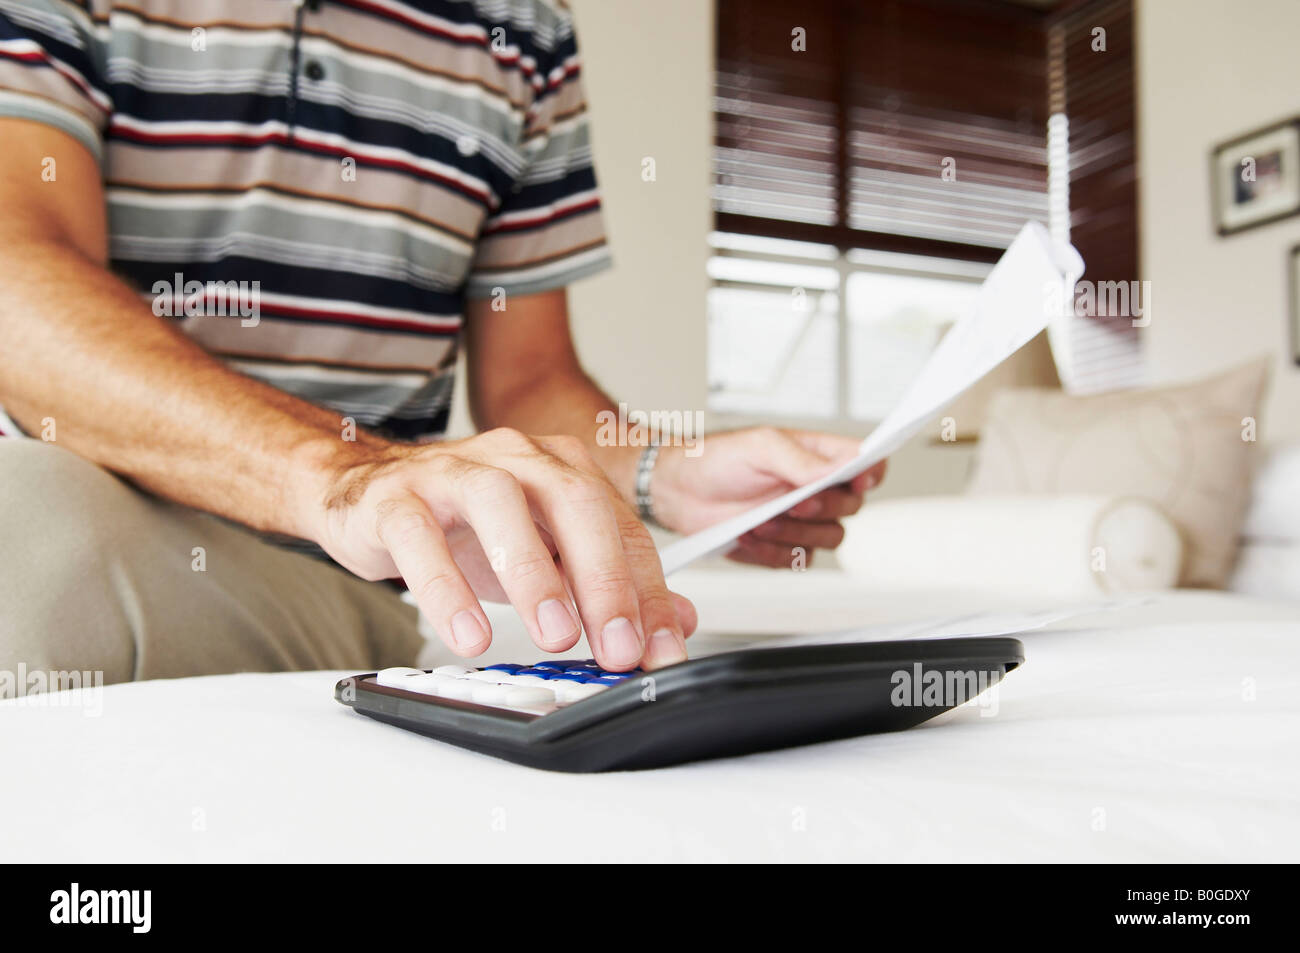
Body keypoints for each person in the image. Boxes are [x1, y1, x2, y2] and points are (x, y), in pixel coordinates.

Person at [0, 0, 884, 689]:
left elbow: (533, 380)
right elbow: (17, 275)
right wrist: (338, 474)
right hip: (95, 505)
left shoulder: (527, 33)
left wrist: (660, 471)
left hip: (341, 574)